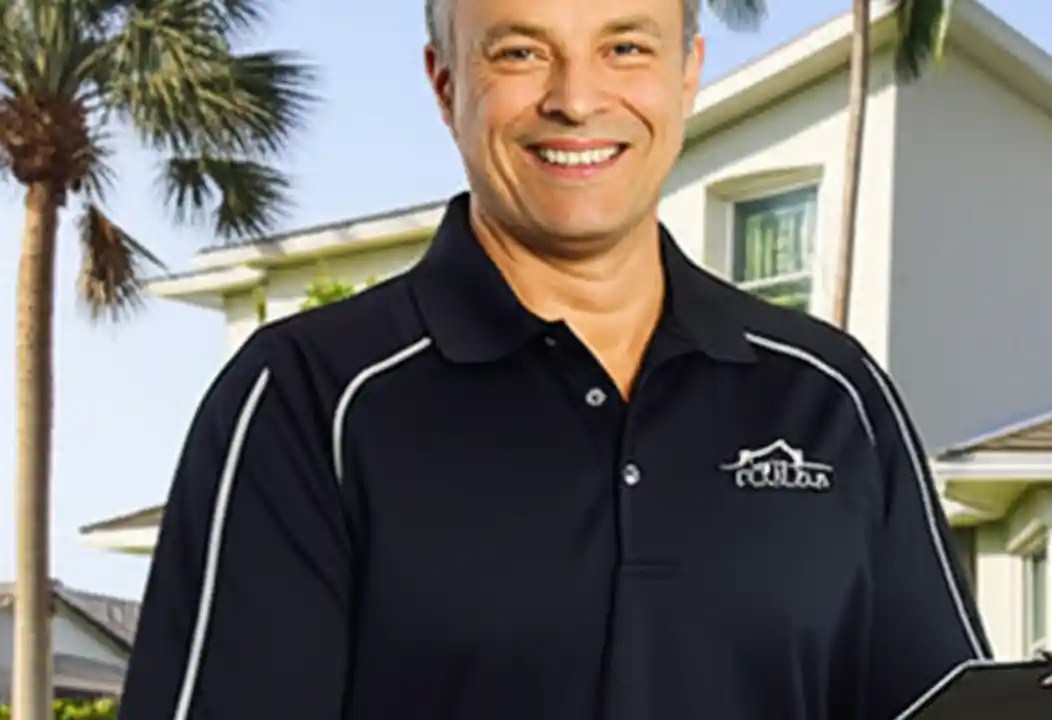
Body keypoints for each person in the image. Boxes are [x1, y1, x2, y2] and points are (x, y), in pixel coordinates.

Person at [118, 0, 992, 717]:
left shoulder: (832, 399)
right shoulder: (310, 400)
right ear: (445, 82)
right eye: (522, 53)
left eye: (625, 46)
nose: (578, 99)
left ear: (686, 71)